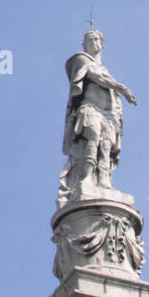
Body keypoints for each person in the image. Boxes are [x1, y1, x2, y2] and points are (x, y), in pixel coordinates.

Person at [60, 28, 137, 201]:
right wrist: (122, 88)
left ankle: (104, 181)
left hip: (108, 116)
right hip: (89, 109)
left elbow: (107, 87)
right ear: (84, 43)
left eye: (96, 40)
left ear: (102, 44)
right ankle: (86, 177)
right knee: (93, 135)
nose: (93, 42)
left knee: (106, 146)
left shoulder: (106, 70)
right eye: (90, 39)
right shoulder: (80, 59)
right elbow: (95, 76)